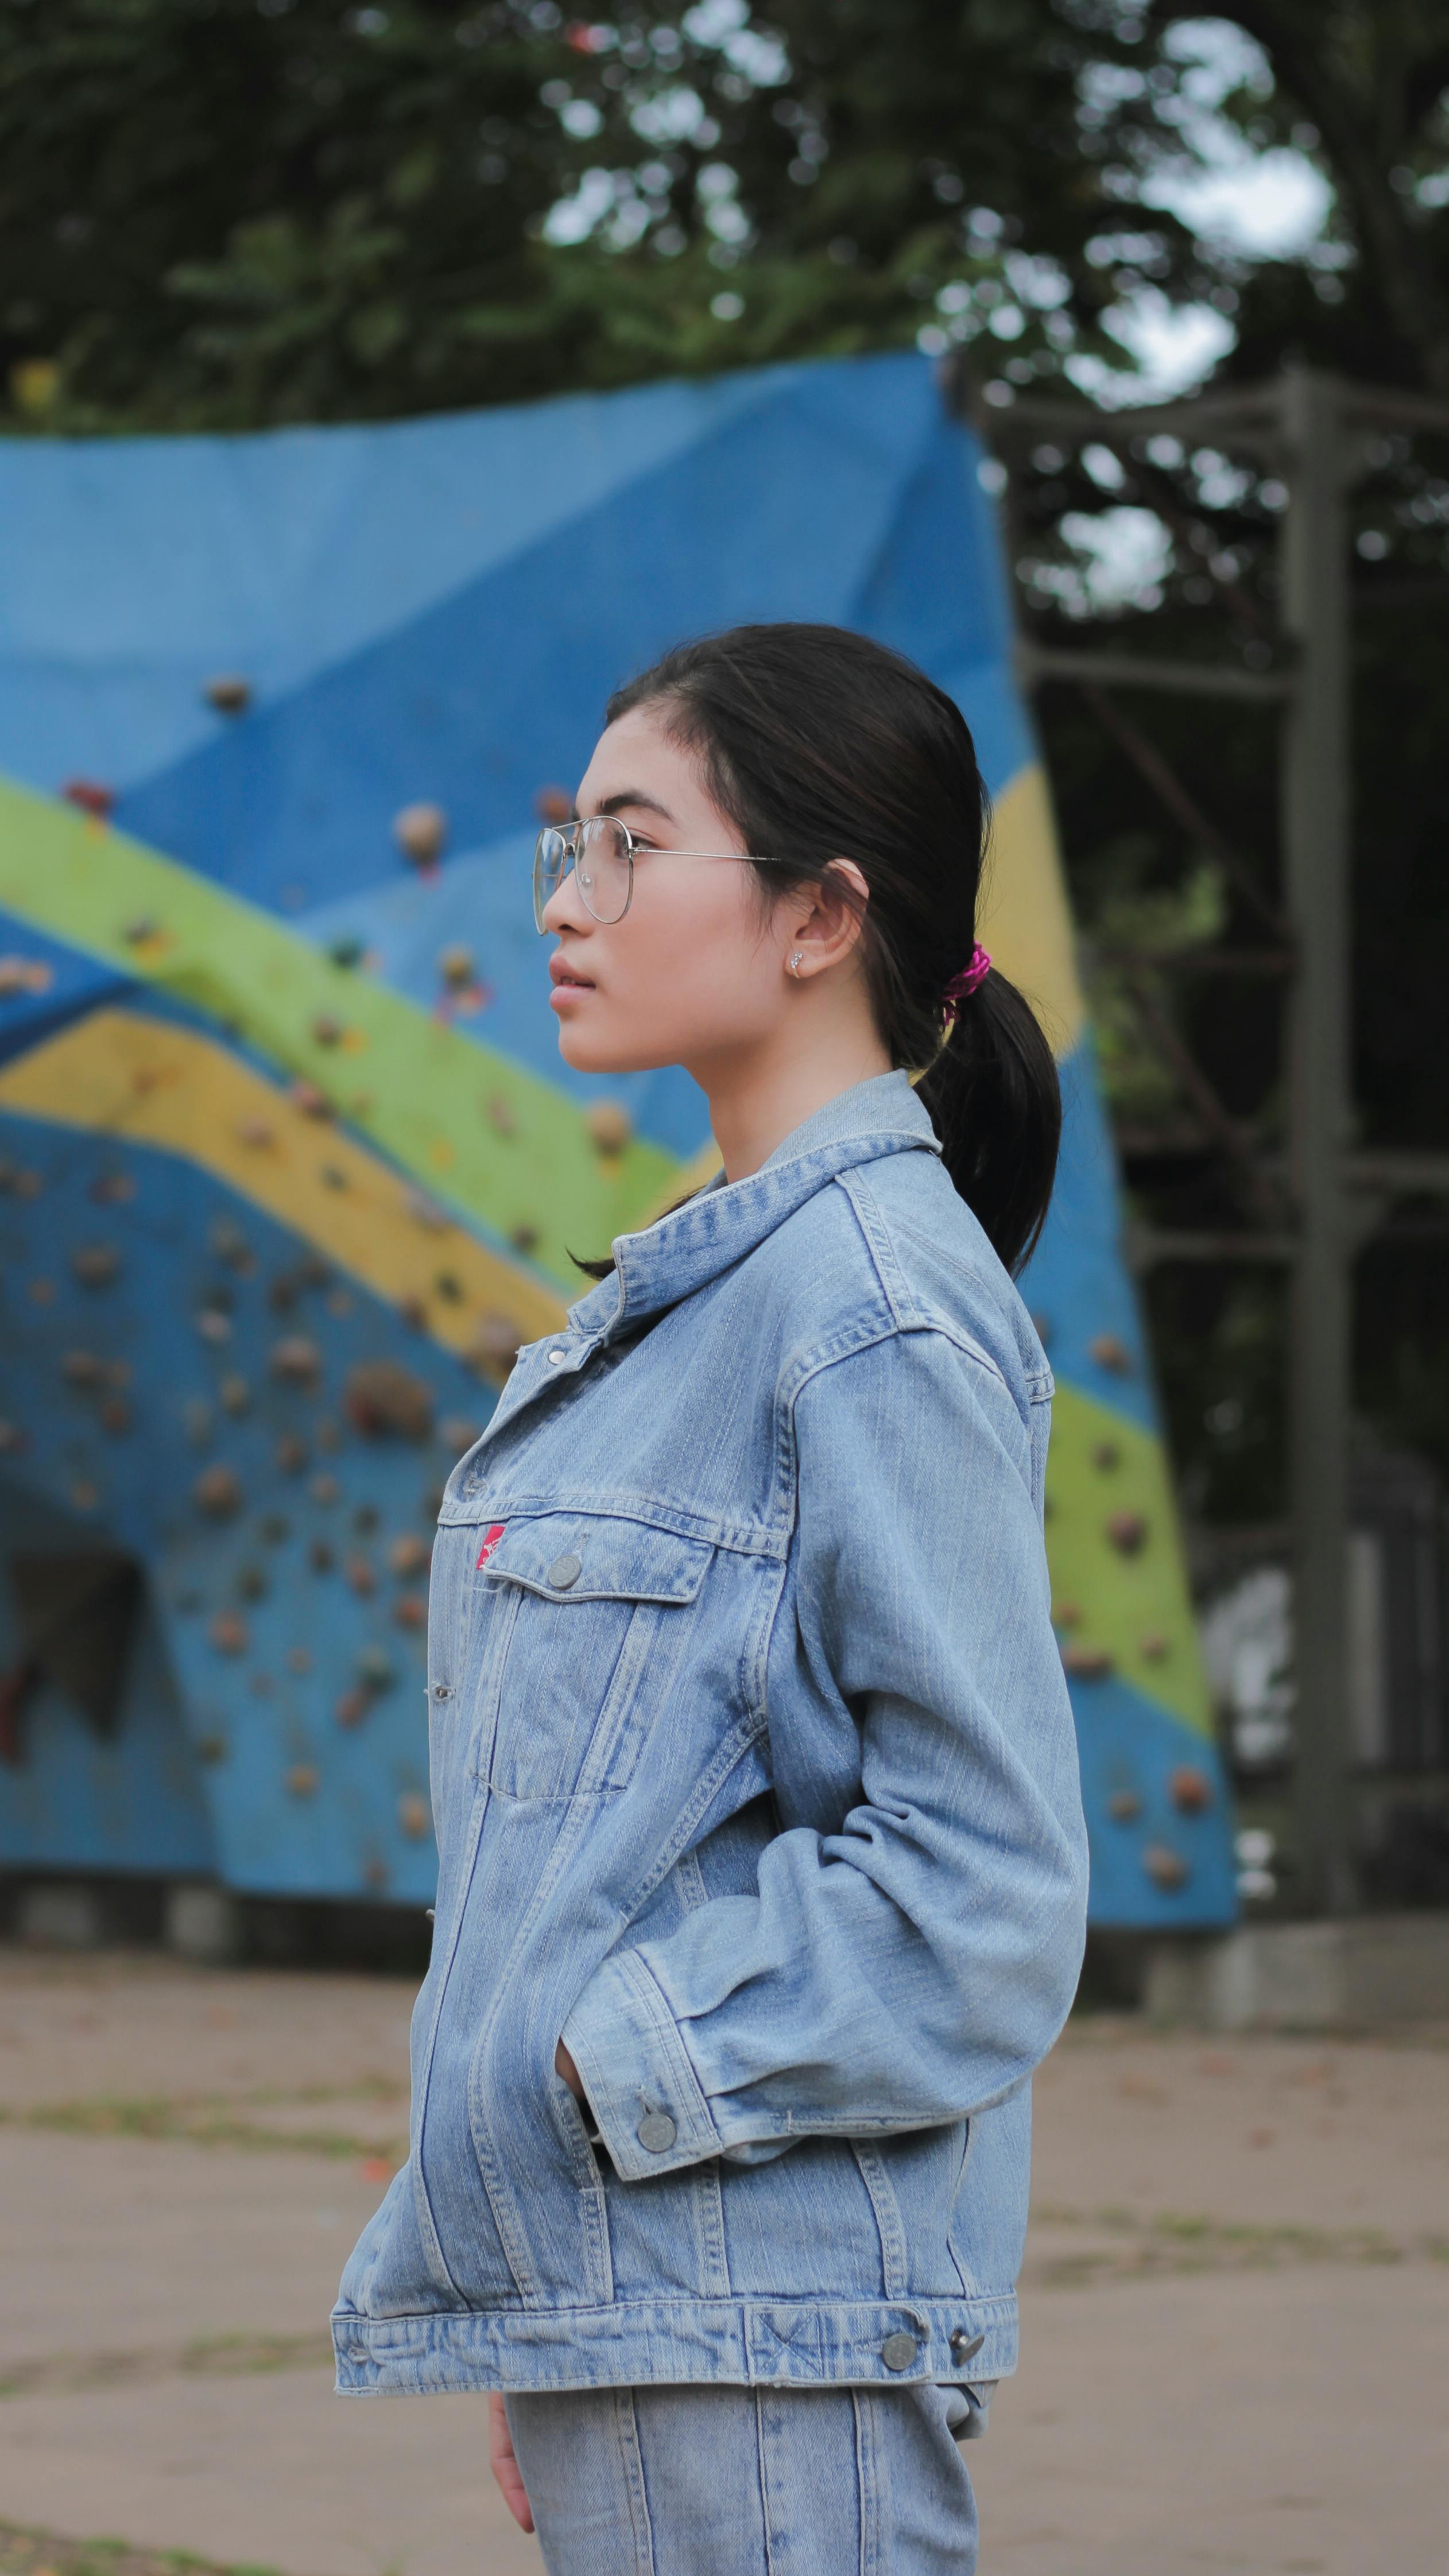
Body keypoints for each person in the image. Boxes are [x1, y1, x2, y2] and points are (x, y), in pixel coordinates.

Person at [332, 623, 1090, 2573]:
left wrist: (577, 2082)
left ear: (820, 916)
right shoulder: (706, 1296)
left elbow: (979, 1891)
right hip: (654, 2303)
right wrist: (536, 2267)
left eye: (627, 845)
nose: (563, 906)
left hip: (760, 2330)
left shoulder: (869, 1312)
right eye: (565, 848)